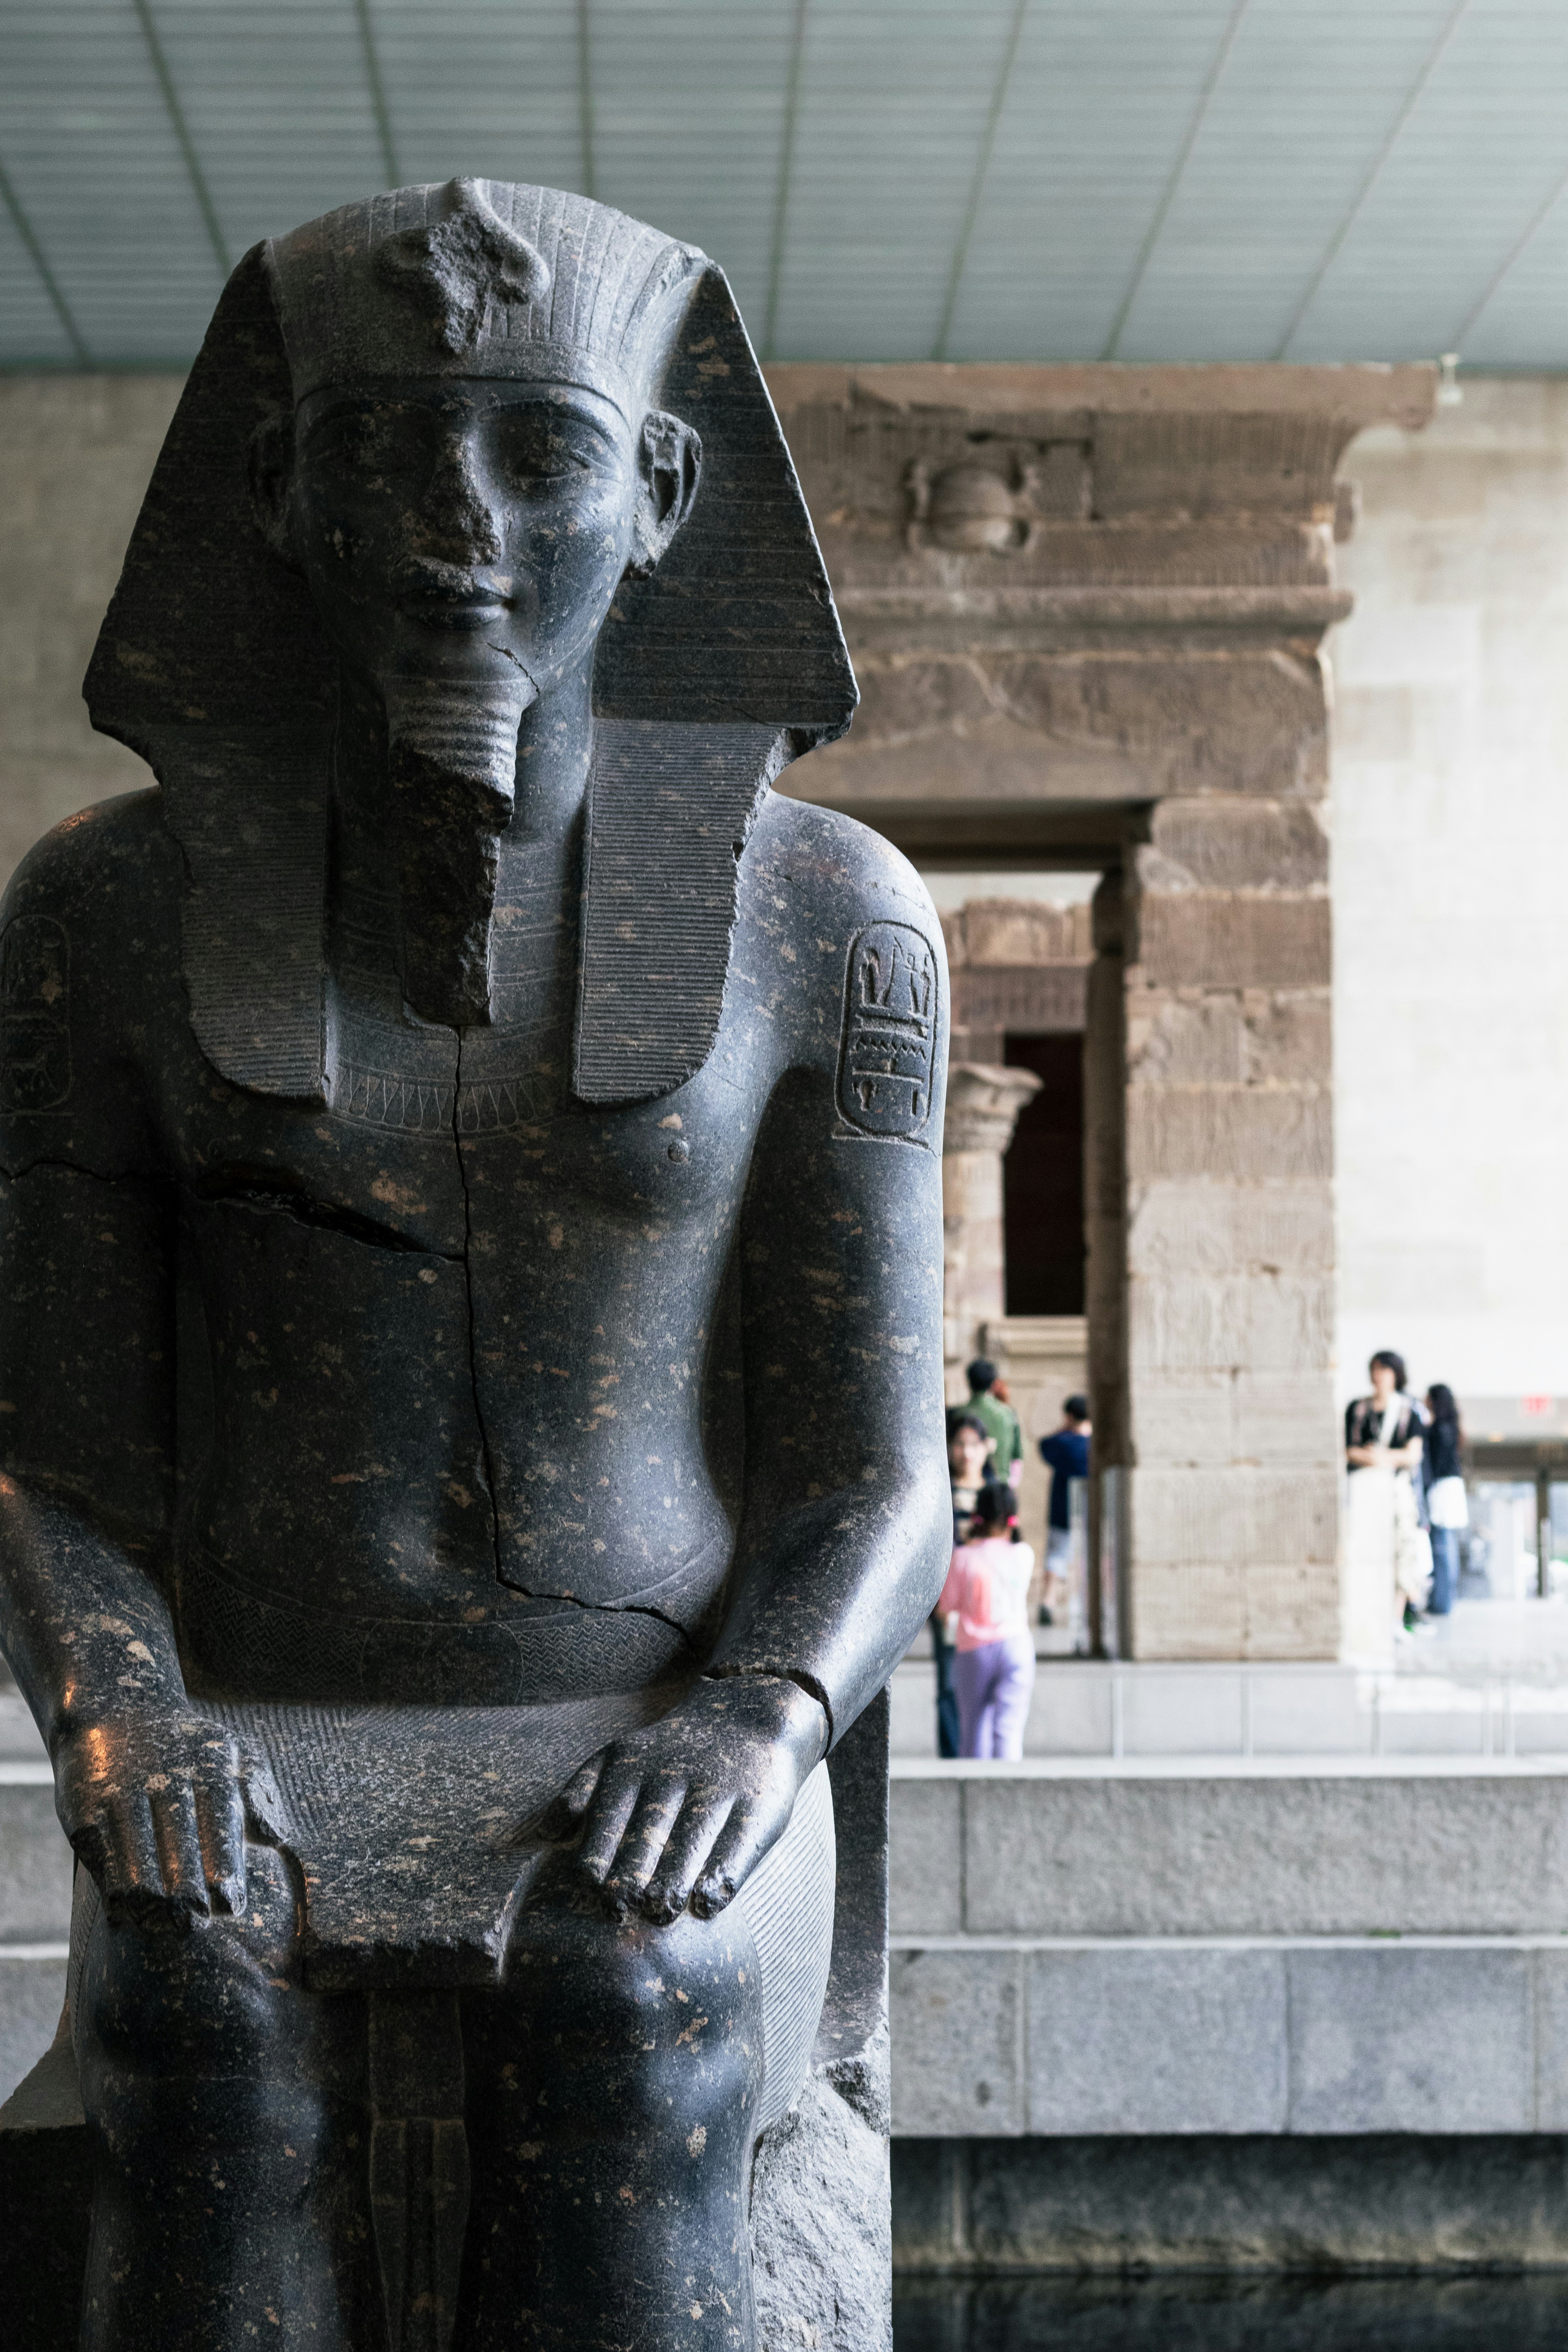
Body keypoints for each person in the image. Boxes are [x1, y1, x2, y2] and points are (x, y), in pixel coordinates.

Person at [937, 1484, 1036, 1759]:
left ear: (977, 1515)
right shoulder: (1023, 1555)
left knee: (973, 1730)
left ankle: (972, 1795)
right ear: (1011, 1518)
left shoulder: (963, 1558)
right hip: (1016, 1645)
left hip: (974, 1650)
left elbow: (945, 1606)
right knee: (1008, 1731)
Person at [1344, 1350, 1427, 1648]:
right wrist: (1376, 1458)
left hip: (1397, 1494)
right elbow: (1348, 1450)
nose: (1378, 1376)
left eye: (1384, 1370)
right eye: (1374, 1370)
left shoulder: (1409, 1410)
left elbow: (1412, 1454)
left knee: (1401, 1553)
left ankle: (1394, 1618)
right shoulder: (1357, 1409)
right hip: (1364, 1494)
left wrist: (1380, 1457)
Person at [937, 1409, 1003, 1755]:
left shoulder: (995, 1492)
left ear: (985, 1448)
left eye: (973, 1444)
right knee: (949, 1683)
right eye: (959, 1444)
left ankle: (981, 1750)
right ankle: (953, 1755)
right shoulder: (940, 1492)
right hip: (950, 1602)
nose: (966, 1452)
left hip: (988, 1602)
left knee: (988, 1681)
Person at [1038, 1393, 1091, 1623]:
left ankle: (1048, 1602)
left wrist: (1064, 1428)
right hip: (1091, 1513)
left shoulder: (1062, 1444)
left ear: (1069, 1416)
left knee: (1056, 1557)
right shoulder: (1093, 1446)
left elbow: (1043, 1444)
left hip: (1062, 1511)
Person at [1423, 1384, 1469, 1617]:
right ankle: (1445, 1599)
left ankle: (1441, 1602)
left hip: (1441, 1488)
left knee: (1440, 1547)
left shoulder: (1438, 1428)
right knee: (1447, 1545)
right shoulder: (1452, 1426)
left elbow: (1433, 1465)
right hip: (1452, 1487)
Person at [964, 1356, 1024, 1490]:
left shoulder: (957, 1415)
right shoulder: (1007, 1413)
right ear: (993, 1383)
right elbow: (1018, 1455)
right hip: (1001, 1487)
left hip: (967, 1488)